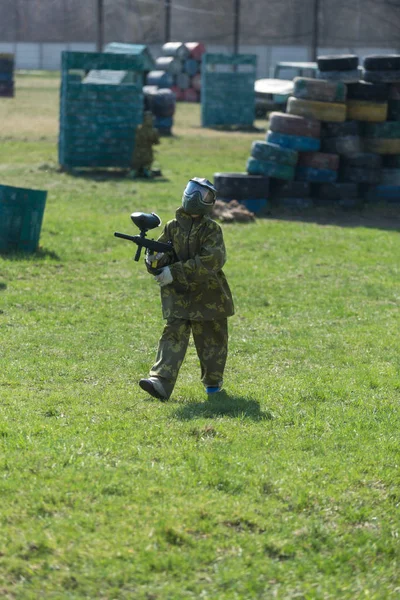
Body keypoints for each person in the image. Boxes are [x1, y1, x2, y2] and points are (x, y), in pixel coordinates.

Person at [139, 177, 234, 401]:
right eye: (192, 190)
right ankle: (160, 381)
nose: (195, 197)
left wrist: (175, 272)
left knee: (212, 342)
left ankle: (213, 386)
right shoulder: (172, 227)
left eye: (204, 194)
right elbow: (162, 255)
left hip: (210, 297)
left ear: (211, 202)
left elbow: (212, 260)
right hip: (179, 296)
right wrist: (154, 261)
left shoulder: (212, 229)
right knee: (172, 335)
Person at [131, 111, 160, 178]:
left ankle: (135, 173)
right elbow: (157, 142)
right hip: (147, 153)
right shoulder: (153, 131)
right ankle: (146, 173)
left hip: (137, 153)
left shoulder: (138, 129)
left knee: (135, 168)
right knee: (147, 167)